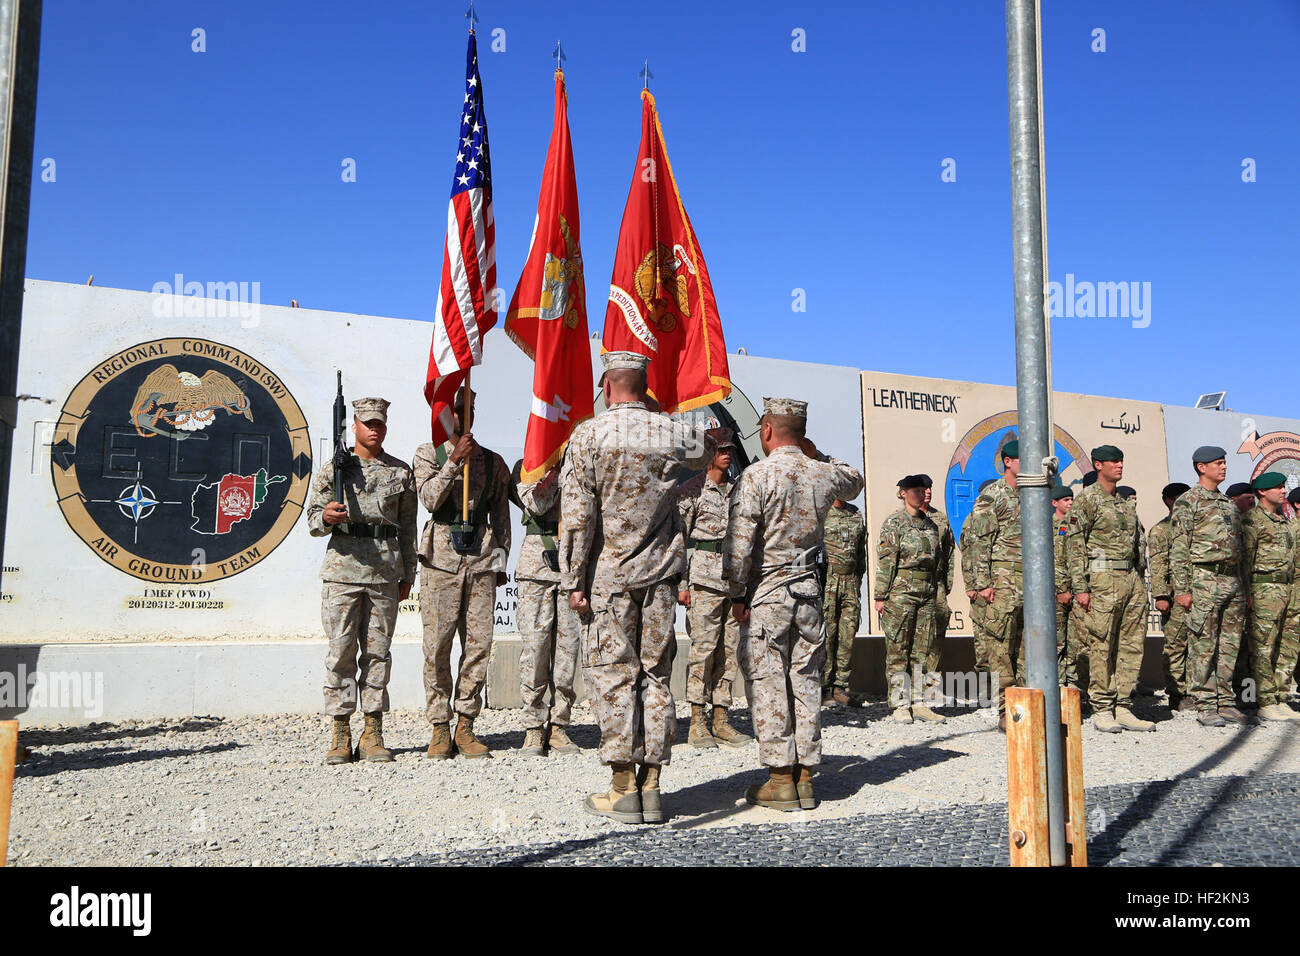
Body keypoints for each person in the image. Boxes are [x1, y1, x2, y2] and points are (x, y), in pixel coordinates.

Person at [561, 352, 715, 825]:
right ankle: (652, 787)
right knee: (655, 674)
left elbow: (577, 518)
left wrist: (573, 580)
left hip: (610, 577)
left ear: (608, 386)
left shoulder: (588, 434)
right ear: (646, 388)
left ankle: (623, 787)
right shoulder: (674, 434)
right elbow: (709, 450)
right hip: (662, 576)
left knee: (614, 676)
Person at [726, 397, 862, 812]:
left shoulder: (756, 476)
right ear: (801, 434)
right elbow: (853, 480)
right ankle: (806, 775)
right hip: (808, 594)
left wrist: (735, 594)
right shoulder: (821, 474)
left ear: (766, 430)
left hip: (768, 594)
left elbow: (739, 546)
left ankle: (779, 778)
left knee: (768, 682)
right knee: (805, 682)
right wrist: (816, 453)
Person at [307, 397, 417, 764]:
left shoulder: (400, 473)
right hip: (343, 571)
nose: (374, 428)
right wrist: (326, 516)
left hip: (385, 572)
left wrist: (408, 574)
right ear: (353, 425)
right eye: (367, 422)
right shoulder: (335, 470)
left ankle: (372, 731)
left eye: (380, 423)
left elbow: (408, 529)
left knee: (377, 654)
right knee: (340, 652)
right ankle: (340, 731)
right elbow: (311, 522)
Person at [413, 386, 512, 759]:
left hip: (481, 558)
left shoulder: (492, 461)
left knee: (478, 647)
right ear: (444, 414)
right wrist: (453, 460)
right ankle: (439, 726)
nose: (462, 415)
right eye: (456, 409)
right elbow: (428, 500)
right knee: (437, 645)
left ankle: (466, 723)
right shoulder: (429, 454)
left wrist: (501, 560)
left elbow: (501, 515)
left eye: (469, 409)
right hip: (441, 558)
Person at [1065, 445, 1153, 733]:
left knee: (1131, 645)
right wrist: (1080, 587)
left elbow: (1137, 546)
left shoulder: (1125, 503)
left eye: (1121, 460)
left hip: (1130, 579)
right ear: (1098, 465)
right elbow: (1074, 546)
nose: (1119, 465)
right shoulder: (1087, 500)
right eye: (1113, 461)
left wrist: (1139, 581)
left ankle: (1124, 705)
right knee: (1101, 645)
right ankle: (1102, 707)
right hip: (1101, 581)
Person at [676, 425, 753, 748]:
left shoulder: (740, 492)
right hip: (703, 582)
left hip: (733, 582)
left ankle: (722, 716)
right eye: (721, 449)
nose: (727, 455)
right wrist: (681, 583)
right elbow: (678, 539)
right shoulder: (692, 490)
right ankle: (697, 720)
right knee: (703, 650)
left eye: (730, 450)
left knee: (730, 651)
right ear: (708, 453)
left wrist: (745, 590)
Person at [1171, 446, 1248, 727]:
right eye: (1218, 463)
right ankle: (1204, 702)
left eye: (1224, 463)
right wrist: (1182, 589)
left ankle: (1226, 701)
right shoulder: (1188, 501)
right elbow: (1179, 547)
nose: (1224, 467)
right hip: (1204, 579)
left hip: (1232, 580)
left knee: (1230, 644)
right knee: (1203, 643)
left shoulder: (1228, 503)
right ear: (1201, 467)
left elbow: (1240, 549)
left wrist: (1245, 587)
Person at [511, 459, 582, 756]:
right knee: (536, 650)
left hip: (572, 564)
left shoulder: (580, 465)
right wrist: (554, 471)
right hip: (536, 567)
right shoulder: (527, 466)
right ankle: (533, 727)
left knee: (568, 651)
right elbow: (537, 505)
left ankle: (559, 726)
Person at [875, 475, 946, 723]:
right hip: (901, 592)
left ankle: (919, 702)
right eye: (915, 490)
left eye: (923, 490)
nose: (920, 494)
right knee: (898, 649)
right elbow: (886, 562)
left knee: (922, 650)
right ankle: (900, 704)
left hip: (926, 592)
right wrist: (881, 596)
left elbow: (939, 561)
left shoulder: (931, 525)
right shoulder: (894, 523)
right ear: (903, 493)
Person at [970, 440, 1025, 730]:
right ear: (1007, 461)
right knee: (1000, 646)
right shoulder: (992, 497)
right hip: (1002, 580)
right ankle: (1007, 711)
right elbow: (979, 543)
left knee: (1030, 647)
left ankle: (1029, 705)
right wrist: (983, 584)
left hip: (1031, 581)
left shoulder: (1033, 495)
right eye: (1021, 458)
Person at [1242, 473, 1300, 721]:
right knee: (1263, 647)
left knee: (1288, 647)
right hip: (1263, 589)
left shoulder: (1286, 523)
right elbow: (1245, 560)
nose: (1283, 491)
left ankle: (1280, 696)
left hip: (1289, 590)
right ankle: (1265, 700)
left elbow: (1295, 563)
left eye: (1284, 487)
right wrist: (1247, 595)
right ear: (1262, 492)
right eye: (1277, 487)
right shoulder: (1252, 521)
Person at [1149, 482, 1193, 711]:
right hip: (1175, 596)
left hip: (1199, 593)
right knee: (1176, 645)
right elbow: (1158, 564)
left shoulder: (1195, 527)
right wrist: (1161, 595)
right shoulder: (1162, 530)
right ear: (1169, 501)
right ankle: (1178, 694)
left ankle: (1197, 691)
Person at [821, 492, 866, 707]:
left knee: (848, 632)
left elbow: (861, 552)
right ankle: (823, 687)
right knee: (827, 634)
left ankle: (840, 686)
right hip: (828, 580)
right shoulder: (820, 510)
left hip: (850, 580)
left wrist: (857, 581)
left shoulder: (855, 514)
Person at [961, 478, 998, 681]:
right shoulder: (972, 520)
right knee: (983, 638)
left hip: (1003, 584)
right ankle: (987, 687)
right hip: (981, 587)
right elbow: (969, 554)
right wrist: (971, 585)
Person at [920, 475, 955, 663]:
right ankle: (912, 683)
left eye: (930, 488)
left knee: (939, 624)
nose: (928, 492)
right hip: (913, 583)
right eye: (924, 488)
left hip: (937, 582)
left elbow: (949, 551)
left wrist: (947, 582)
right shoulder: (903, 518)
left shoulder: (940, 518)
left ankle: (932, 680)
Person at [1051, 484, 1079, 689]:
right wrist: (1062, 589)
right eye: (1065, 500)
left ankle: (1072, 680)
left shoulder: (1076, 524)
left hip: (1077, 589)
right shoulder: (1049, 526)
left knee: (1075, 639)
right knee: (1058, 639)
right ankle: (1059, 681)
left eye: (1071, 499)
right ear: (1054, 503)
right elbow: (1055, 561)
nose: (1070, 503)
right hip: (1058, 591)